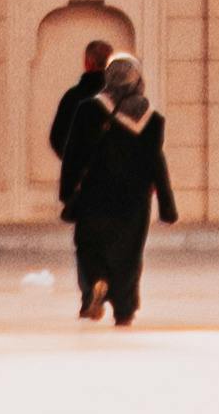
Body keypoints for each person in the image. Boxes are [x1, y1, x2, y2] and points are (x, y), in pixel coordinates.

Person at [67, 52, 176, 328]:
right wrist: (166, 204)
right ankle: (124, 309)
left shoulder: (89, 109)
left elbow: (74, 155)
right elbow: (156, 161)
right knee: (129, 254)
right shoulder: (152, 118)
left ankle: (96, 281)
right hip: (134, 199)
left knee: (90, 244)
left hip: (95, 194)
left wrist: (68, 191)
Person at [43, 32, 116, 259]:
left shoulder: (73, 98)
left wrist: (74, 160)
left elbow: (57, 138)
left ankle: (91, 281)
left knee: (85, 239)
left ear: (87, 62)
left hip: (81, 181)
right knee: (112, 234)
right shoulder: (118, 98)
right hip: (114, 179)